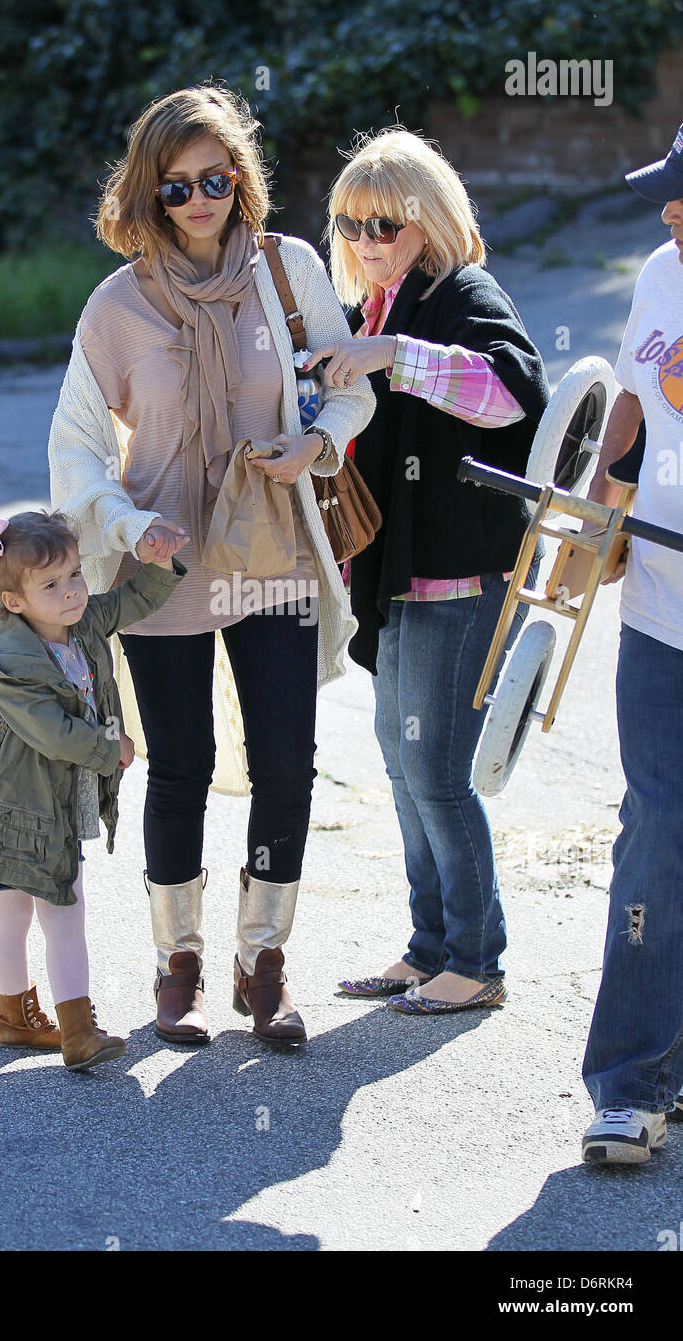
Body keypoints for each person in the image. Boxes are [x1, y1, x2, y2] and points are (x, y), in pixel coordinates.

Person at [48, 85, 374, 1047]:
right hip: (165, 562)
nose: (199, 200)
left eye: (216, 179)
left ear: (242, 180)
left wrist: (318, 445)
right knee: (180, 765)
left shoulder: (288, 271)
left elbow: (349, 382)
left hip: (269, 550)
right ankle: (176, 966)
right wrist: (121, 517)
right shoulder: (116, 305)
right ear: (147, 195)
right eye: (177, 186)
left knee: (285, 762)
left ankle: (263, 961)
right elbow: (75, 446)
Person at [306, 129, 550, 1014]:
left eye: (386, 224)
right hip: (403, 580)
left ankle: (477, 961)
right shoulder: (374, 306)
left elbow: (516, 392)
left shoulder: (461, 292)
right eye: (350, 223)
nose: (367, 241)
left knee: (440, 770)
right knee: (405, 767)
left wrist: (394, 358)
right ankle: (428, 946)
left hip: (465, 576)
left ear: (431, 221)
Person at [0, 510, 185, 1069]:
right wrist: (111, 748)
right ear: (14, 602)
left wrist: (155, 565)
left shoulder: (80, 624)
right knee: (34, 915)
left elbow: (131, 602)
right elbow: (53, 733)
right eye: (51, 585)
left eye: (76, 575)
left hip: (48, 796)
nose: (72, 592)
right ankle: (72, 1031)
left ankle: (17, 1020)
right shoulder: (12, 661)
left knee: (43, 914)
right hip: (11, 805)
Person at [580, 123, 683, 1164]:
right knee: (656, 824)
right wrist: (604, 515)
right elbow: (631, 404)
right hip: (659, 605)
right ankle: (630, 1081)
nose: (669, 211)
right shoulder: (662, 271)